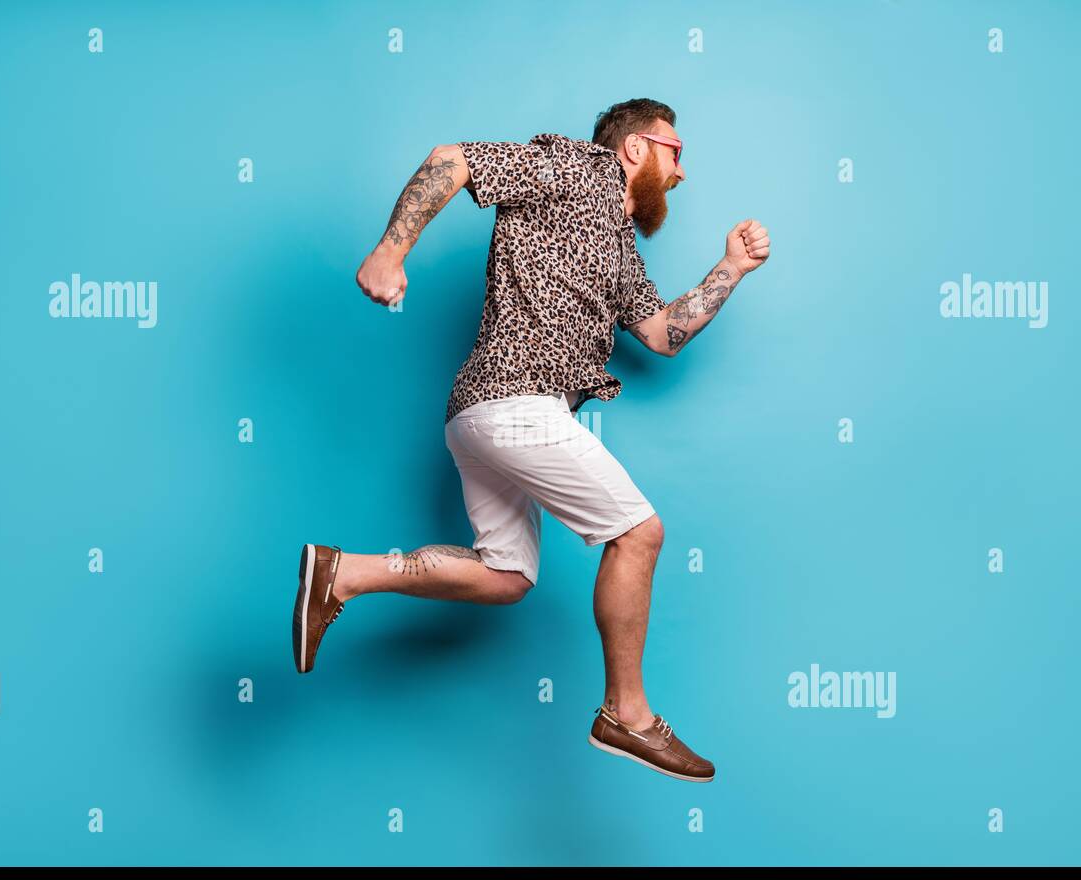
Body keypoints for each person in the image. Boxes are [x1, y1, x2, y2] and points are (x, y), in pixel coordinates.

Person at [293, 98, 770, 782]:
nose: (681, 173)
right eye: (676, 151)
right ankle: (626, 715)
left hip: (484, 414)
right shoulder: (573, 166)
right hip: (516, 400)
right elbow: (452, 160)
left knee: (506, 577)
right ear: (635, 148)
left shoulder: (619, 247)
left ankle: (343, 573)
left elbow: (663, 334)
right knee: (638, 533)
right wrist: (389, 252)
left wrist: (731, 268)